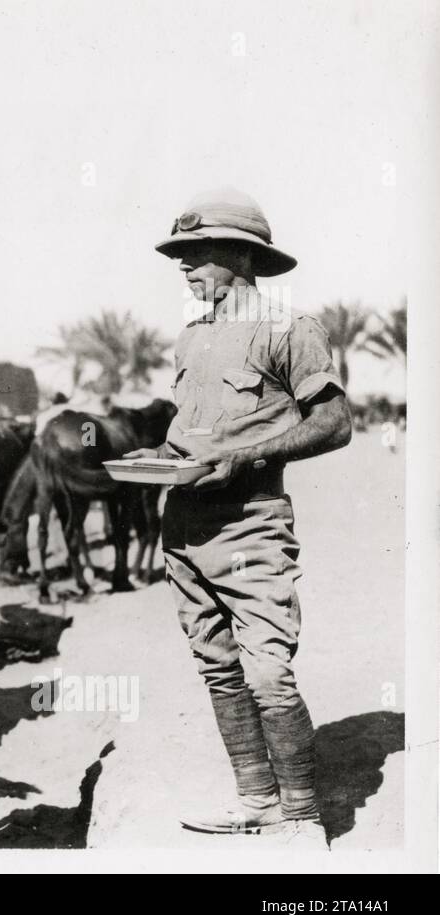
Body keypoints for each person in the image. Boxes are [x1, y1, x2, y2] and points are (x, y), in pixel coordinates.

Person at [124, 188, 352, 848]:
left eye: (196, 253)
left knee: (268, 673)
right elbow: (190, 434)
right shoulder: (192, 337)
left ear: (240, 255)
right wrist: (155, 455)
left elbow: (335, 422)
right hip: (184, 525)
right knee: (218, 668)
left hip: (250, 523)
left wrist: (246, 458)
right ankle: (256, 797)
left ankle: (303, 814)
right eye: (181, 255)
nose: (184, 266)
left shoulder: (291, 330)